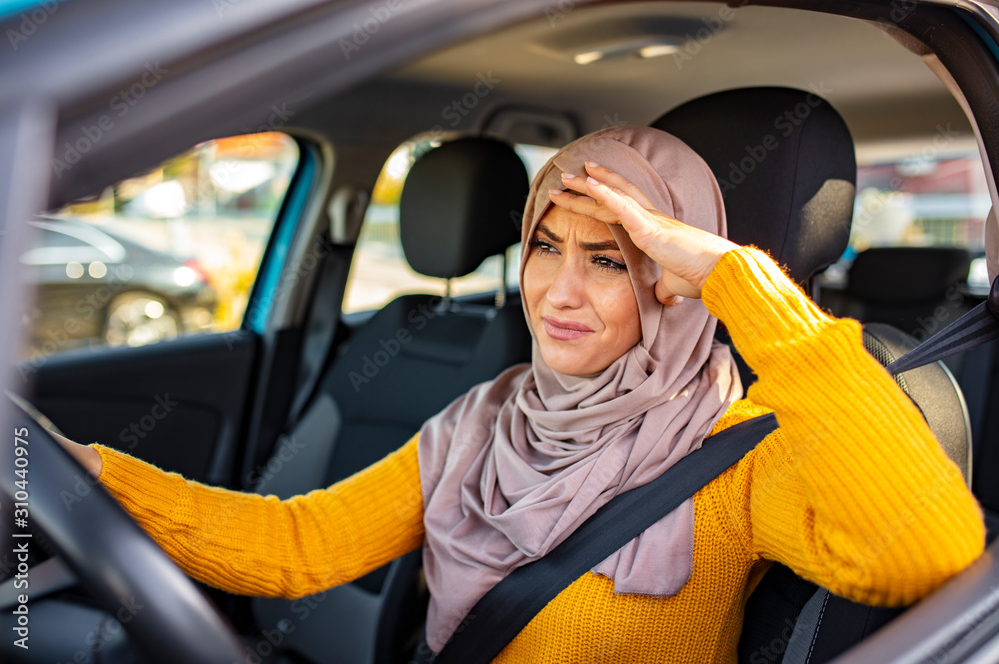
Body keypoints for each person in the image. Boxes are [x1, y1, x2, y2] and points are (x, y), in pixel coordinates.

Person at [56, 126, 984, 662]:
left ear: (671, 282)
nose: (558, 293)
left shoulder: (737, 450)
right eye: (548, 246)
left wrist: (736, 279)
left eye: (612, 260)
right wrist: (81, 474)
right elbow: (302, 545)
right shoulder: (486, 416)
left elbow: (925, 552)